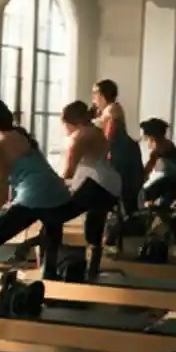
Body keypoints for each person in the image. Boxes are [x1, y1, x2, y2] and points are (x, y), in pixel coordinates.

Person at [0, 100, 70, 313]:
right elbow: (18, 180)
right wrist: (6, 207)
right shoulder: (20, 135)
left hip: (36, 195)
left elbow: (0, 189)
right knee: (49, 233)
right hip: (57, 193)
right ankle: (47, 284)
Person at [50, 101, 119, 278]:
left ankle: (50, 268)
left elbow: (68, 172)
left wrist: (49, 184)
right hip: (111, 183)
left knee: (54, 217)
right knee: (93, 226)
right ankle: (91, 271)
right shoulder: (96, 131)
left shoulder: (78, 136)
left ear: (69, 121)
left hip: (96, 183)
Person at [91, 79, 143, 214]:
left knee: (120, 189)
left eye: (95, 93)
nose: (93, 97)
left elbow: (107, 130)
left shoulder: (113, 108)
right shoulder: (105, 111)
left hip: (120, 153)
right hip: (116, 152)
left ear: (102, 94)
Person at [140, 118, 176, 207]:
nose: (149, 146)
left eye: (150, 140)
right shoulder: (160, 156)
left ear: (154, 139)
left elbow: (148, 190)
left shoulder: (165, 164)